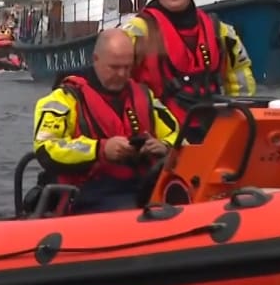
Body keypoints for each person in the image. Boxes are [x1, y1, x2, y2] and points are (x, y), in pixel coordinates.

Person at [31, 29, 181, 214]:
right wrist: (99, 149)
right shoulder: (64, 99)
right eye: (115, 67)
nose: (122, 74)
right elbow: (46, 148)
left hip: (142, 186)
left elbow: (177, 134)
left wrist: (163, 146)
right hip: (87, 192)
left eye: (127, 67)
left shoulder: (144, 96)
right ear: (96, 59)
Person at [123, 0, 256, 141]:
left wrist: (238, 123)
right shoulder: (137, 32)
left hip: (214, 133)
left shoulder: (220, 31)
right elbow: (116, 83)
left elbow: (240, 79)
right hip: (162, 140)